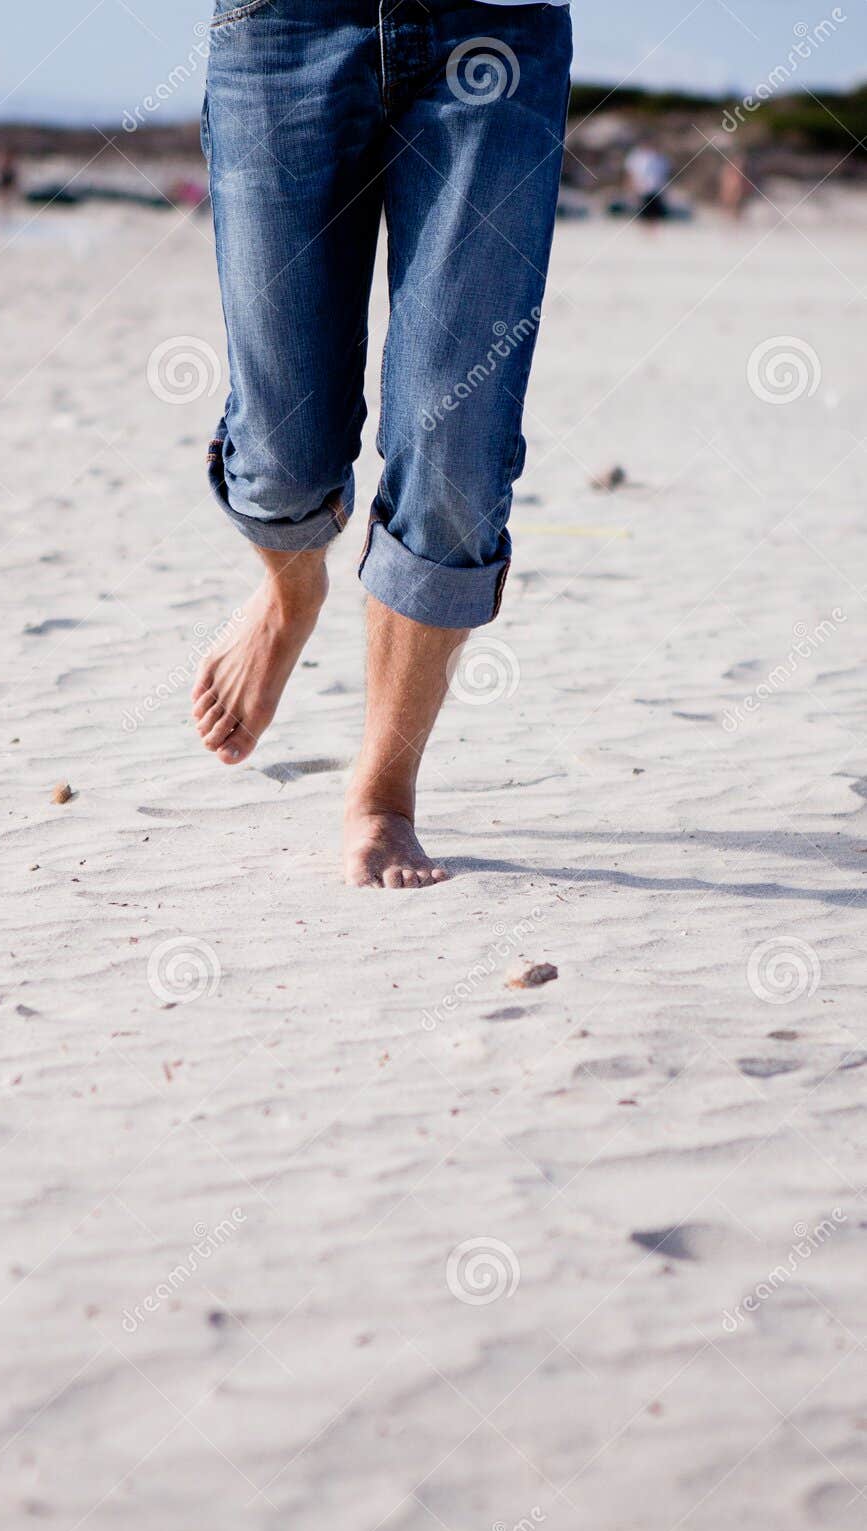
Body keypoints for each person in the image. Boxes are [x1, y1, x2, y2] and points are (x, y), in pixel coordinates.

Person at [192, 0, 573, 888]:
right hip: (279, 27)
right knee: (284, 448)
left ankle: (383, 793)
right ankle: (290, 593)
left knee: (457, 451)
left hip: (496, 28)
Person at [625, 140, 672, 222]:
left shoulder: (661, 158)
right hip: (642, 190)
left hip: (656, 190)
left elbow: (665, 175)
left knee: (655, 215)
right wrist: (632, 189)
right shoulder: (637, 157)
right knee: (642, 214)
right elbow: (631, 174)